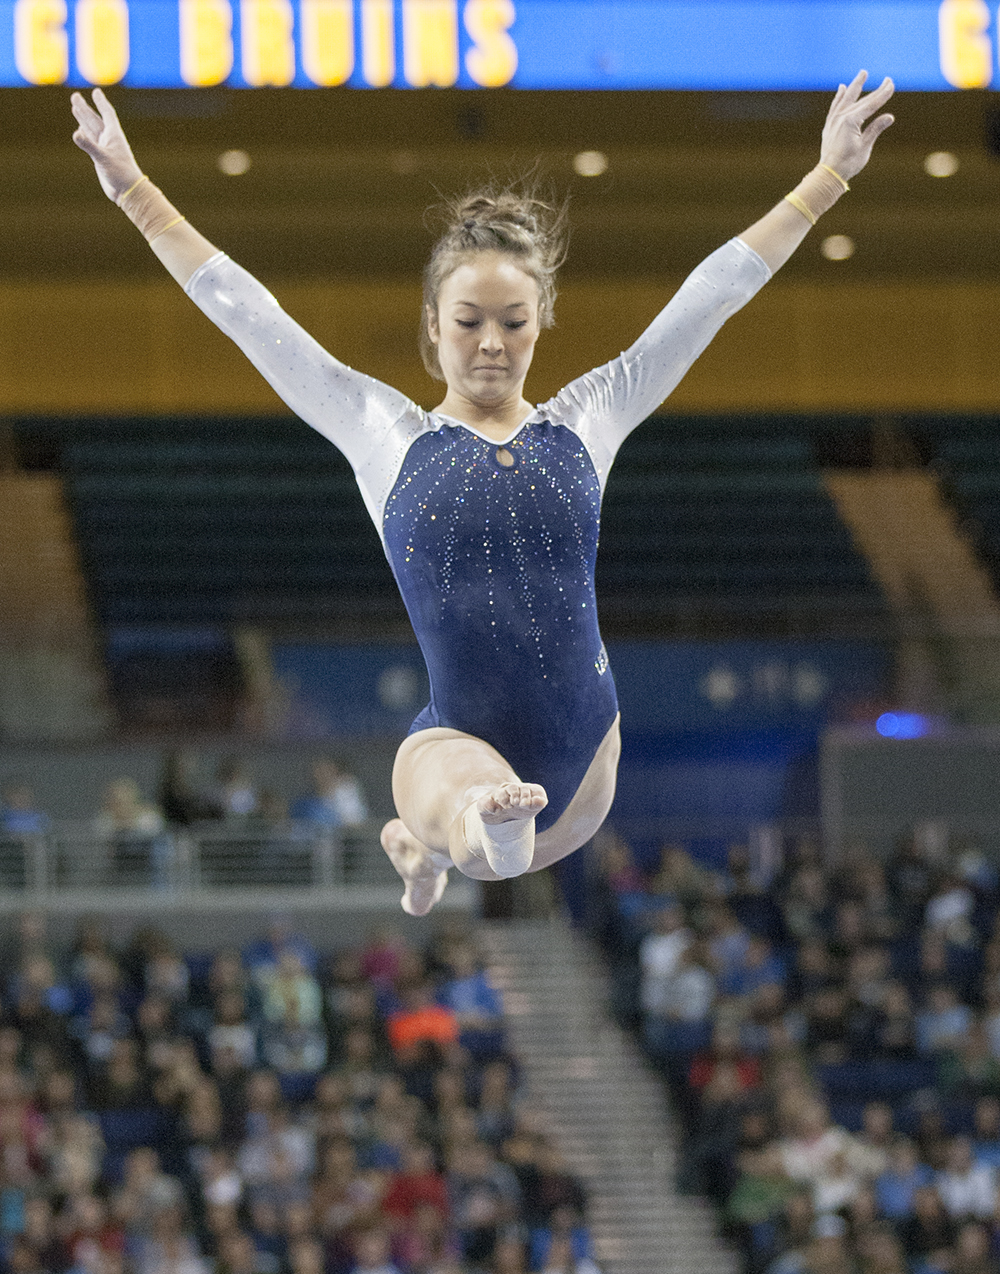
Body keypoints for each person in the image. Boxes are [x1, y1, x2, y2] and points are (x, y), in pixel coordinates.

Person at [70, 77, 894, 915]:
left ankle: (424, 844)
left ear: (542, 320)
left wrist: (827, 176)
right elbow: (246, 311)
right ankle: (457, 833)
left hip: (583, 763)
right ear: (433, 323)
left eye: (513, 320)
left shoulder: (589, 419)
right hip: (452, 745)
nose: (491, 343)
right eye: (468, 321)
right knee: (485, 811)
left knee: (509, 830)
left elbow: (712, 295)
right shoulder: (382, 435)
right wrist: (134, 189)